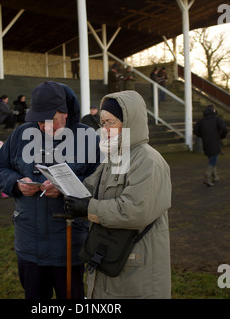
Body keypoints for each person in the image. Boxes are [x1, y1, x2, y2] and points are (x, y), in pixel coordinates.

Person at [0, 81, 101, 299]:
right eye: (39, 121)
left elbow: (101, 180)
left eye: (49, 121)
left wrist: (66, 186)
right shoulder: (21, 134)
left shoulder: (87, 137)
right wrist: (15, 183)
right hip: (29, 245)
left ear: (65, 113)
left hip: (69, 244)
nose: (43, 126)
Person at [63, 91, 172, 298]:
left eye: (110, 122)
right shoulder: (114, 157)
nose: (104, 129)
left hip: (137, 271)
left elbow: (134, 211)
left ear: (129, 123)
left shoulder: (148, 161)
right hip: (112, 257)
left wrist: (88, 208)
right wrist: (64, 188)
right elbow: (90, 187)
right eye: (102, 123)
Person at [194, 105, 228, 187]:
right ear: (213, 110)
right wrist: (222, 136)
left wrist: (203, 136)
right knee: (213, 160)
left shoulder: (201, 121)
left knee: (211, 159)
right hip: (215, 142)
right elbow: (224, 129)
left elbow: (195, 130)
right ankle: (207, 176)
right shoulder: (217, 120)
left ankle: (215, 176)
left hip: (206, 143)